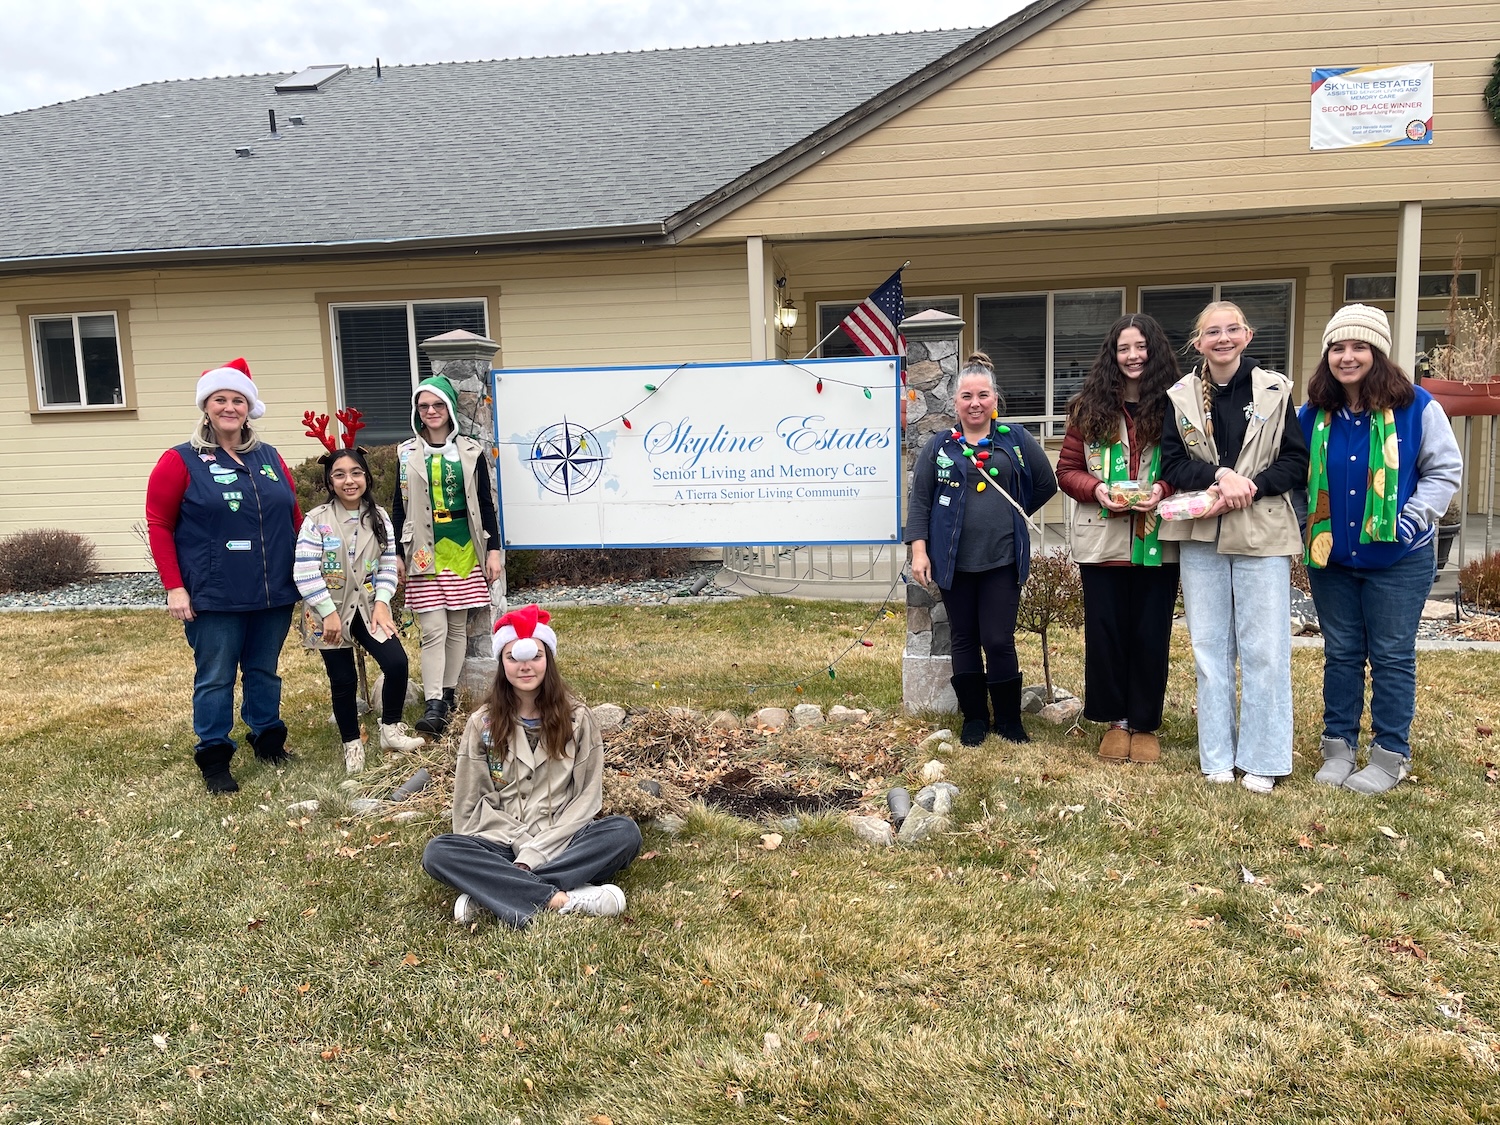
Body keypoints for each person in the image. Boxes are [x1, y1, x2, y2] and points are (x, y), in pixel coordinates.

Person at [1299, 304, 1462, 794]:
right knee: (1342, 653)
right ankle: (1338, 747)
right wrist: (1303, 521)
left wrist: (1412, 519)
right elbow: (1293, 476)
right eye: (1337, 347)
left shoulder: (1417, 406)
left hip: (1398, 557)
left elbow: (1444, 470)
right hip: (1332, 558)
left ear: (1378, 352)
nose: (1347, 357)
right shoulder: (1311, 416)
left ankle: (1390, 755)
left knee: (1392, 655)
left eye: (1358, 347)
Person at [1160, 302, 1309, 793]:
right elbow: (1173, 464)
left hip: (1262, 529)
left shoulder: (1275, 390)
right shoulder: (1180, 396)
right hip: (1203, 533)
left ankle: (1264, 759)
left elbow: (1295, 460)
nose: (1222, 339)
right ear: (1198, 342)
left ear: (1247, 336)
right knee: (1208, 647)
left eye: (1231, 330)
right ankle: (1217, 756)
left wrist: (1254, 485)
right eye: (1211, 332)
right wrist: (1220, 477)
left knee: (1264, 648)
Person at [421, 605, 642, 929]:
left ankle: (492, 894)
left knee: (624, 832)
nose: (525, 666)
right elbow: (470, 806)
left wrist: (537, 854)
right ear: (502, 664)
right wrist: (522, 845)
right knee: (439, 852)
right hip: (503, 844)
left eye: (535, 656)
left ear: (548, 660)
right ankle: (564, 899)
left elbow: (587, 799)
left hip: (564, 841)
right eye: (513, 658)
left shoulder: (578, 719)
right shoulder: (483, 723)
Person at [145, 358, 301, 793]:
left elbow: (293, 515)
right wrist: (175, 586)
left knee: (264, 671)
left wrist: (309, 571)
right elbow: (159, 523)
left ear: (249, 407)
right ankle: (214, 756)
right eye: (220, 400)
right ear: (207, 407)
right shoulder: (180, 460)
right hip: (214, 593)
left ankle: (268, 739)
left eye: (238, 400)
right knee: (215, 675)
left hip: (273, 592)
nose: (230, 407)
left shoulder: (269, 457)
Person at [907, 352, 1059, 746]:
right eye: (967, 396)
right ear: (955, 402)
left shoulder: (1016, 440)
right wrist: (919, 551)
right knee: (963, 636)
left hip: (1002, 559)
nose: (975, 403)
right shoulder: (940, 446)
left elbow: (1046, 483)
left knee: (997, 639)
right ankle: (975, 718)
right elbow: (920, 499)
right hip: (953, 559)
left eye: (983, 395)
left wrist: (1012, 514)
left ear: (995, 399)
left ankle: (1008, 719)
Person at [1056, 315, 1181, 764]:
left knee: (1151, 634)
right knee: (1107, 635)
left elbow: (1185, 469)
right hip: (1102, 542)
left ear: (1155, 352)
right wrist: (1098, 490)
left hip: (1157, 542)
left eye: (1141, 346)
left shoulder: (1176, 407)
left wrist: (1163, 490)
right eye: (1124, 348)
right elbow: (1066, 471)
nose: (1133, 356)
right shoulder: (1086, 409)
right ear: (1112, 355)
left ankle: (1144, 723)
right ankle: (1117, 722)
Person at [294, 446, 426, 774]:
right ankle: (352, 745)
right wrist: (328, 612)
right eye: (339, 475)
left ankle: (390, 730)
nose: (348, 480)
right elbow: (304, 571)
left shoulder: (378, 517)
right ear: (330, 481)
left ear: (365, 477)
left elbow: (385, 566)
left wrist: (382, 603)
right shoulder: (317, 521)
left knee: (396, 663)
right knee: (343, 680)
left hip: (366, 608)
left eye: (355, 473)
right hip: (329, 612)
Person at [392, 375, 502, 738]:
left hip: (464, 548)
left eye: (437, 405)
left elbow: (485, 505)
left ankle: (447, 698)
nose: (431, 411)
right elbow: (398, 506)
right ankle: (433, 701)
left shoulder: (469, 452)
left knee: (457, 627)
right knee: (433, 630)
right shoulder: (406, 453)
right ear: (417, 412)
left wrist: (494, 549)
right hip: (424, 549)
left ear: (449, 408)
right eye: (424, 406)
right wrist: (396, 554)